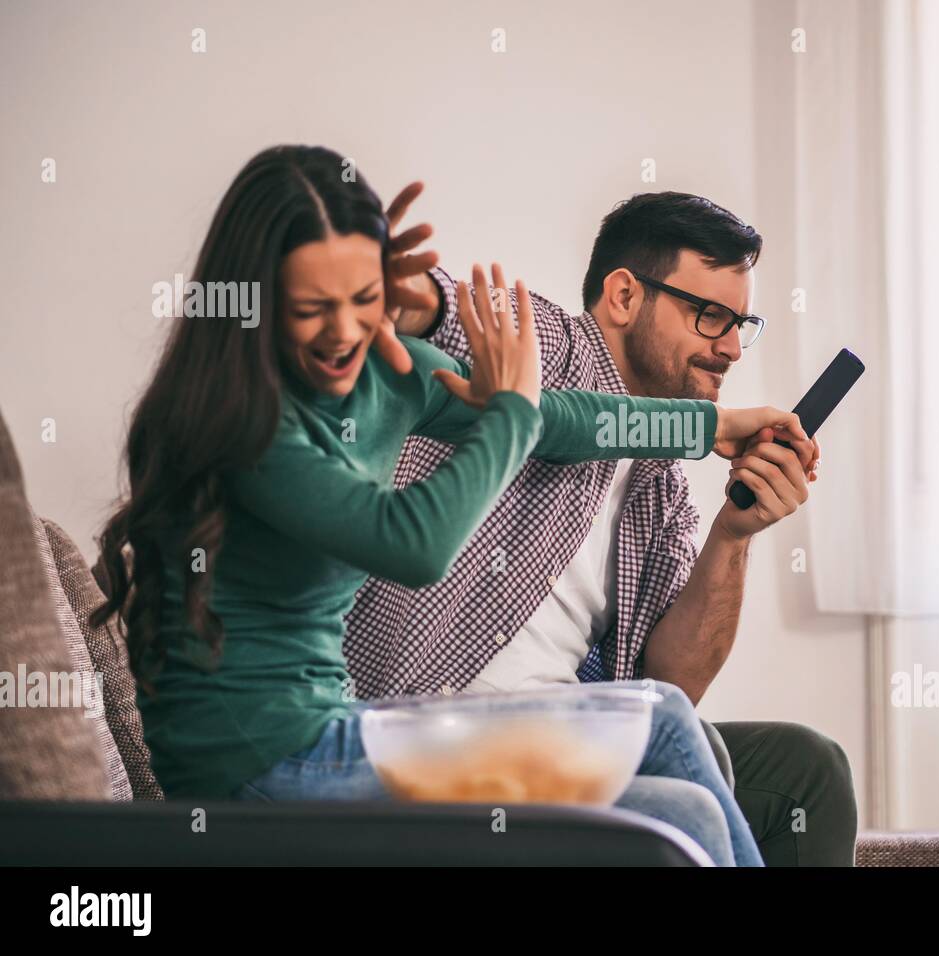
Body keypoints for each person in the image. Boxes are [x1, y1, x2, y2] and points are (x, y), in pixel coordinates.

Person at [91, 145, 814, 867]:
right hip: (262, 768)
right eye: (314, 308)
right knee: (658, 721)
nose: (344, 332)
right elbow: (415, 544)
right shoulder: (249, 425)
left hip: (337, 731)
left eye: (362, 299)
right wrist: (509, 409)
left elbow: (561, 421)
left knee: (679, 808)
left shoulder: (387, 373)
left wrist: (711, 427)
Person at [345, 185, 859, 865]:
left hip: (566, 745)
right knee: (682, 748)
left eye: (741, 324)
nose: (732, 347)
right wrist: (411, 293)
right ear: (623, 296)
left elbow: (673, 679)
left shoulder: (662, 490)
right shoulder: (550, 348)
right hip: (429, 723)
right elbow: (455, 310)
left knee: (805, 769)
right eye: (710, 315)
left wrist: (734, 536)